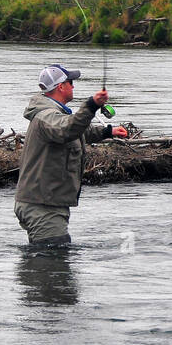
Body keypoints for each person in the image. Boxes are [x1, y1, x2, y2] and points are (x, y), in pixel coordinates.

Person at [14, 64, 128, 246]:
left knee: (49, 263)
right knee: (54, 259)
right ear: (60, 86)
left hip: (46, 203)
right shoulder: (47, 116)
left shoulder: (53, 114)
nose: (73, 86)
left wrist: (108, 132)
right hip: (42, 206)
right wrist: (91, 105)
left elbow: (76, 131)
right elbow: (67, 129)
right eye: (71, 82)